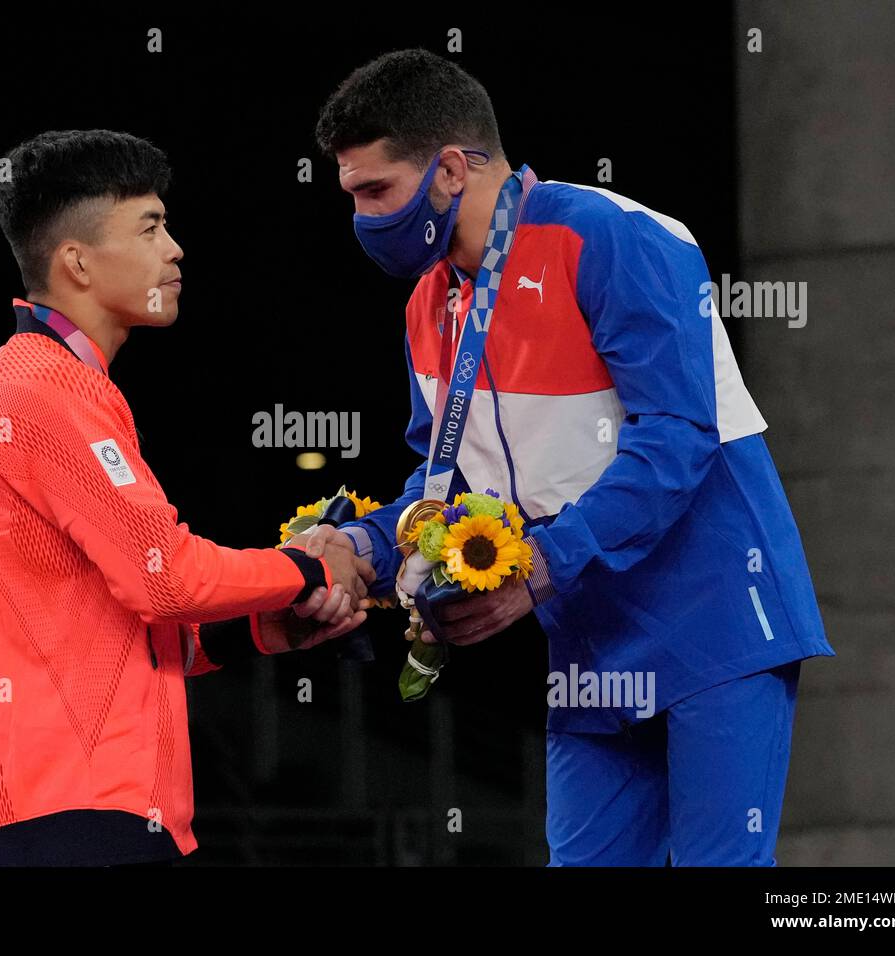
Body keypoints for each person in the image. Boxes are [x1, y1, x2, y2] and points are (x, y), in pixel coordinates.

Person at [311, 50, 835, 865]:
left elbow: (676, 437)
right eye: (352, 197)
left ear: (450, 169)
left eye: (374, 191)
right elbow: (445, 484)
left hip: (714, 613)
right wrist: (361, 550)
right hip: (587, 634)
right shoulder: (427, 305)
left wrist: (542, 568)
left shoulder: (613, 235)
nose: (362, 218)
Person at [0, 129, 374, 866]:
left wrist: (271, 629)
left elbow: (125, 629)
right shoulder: (42, 389)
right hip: (79, 813)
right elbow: (166, 579)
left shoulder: (50, 382)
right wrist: (310, 567)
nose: (175, 250)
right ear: (76, 261)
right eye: (150, 227)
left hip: (83, 807)